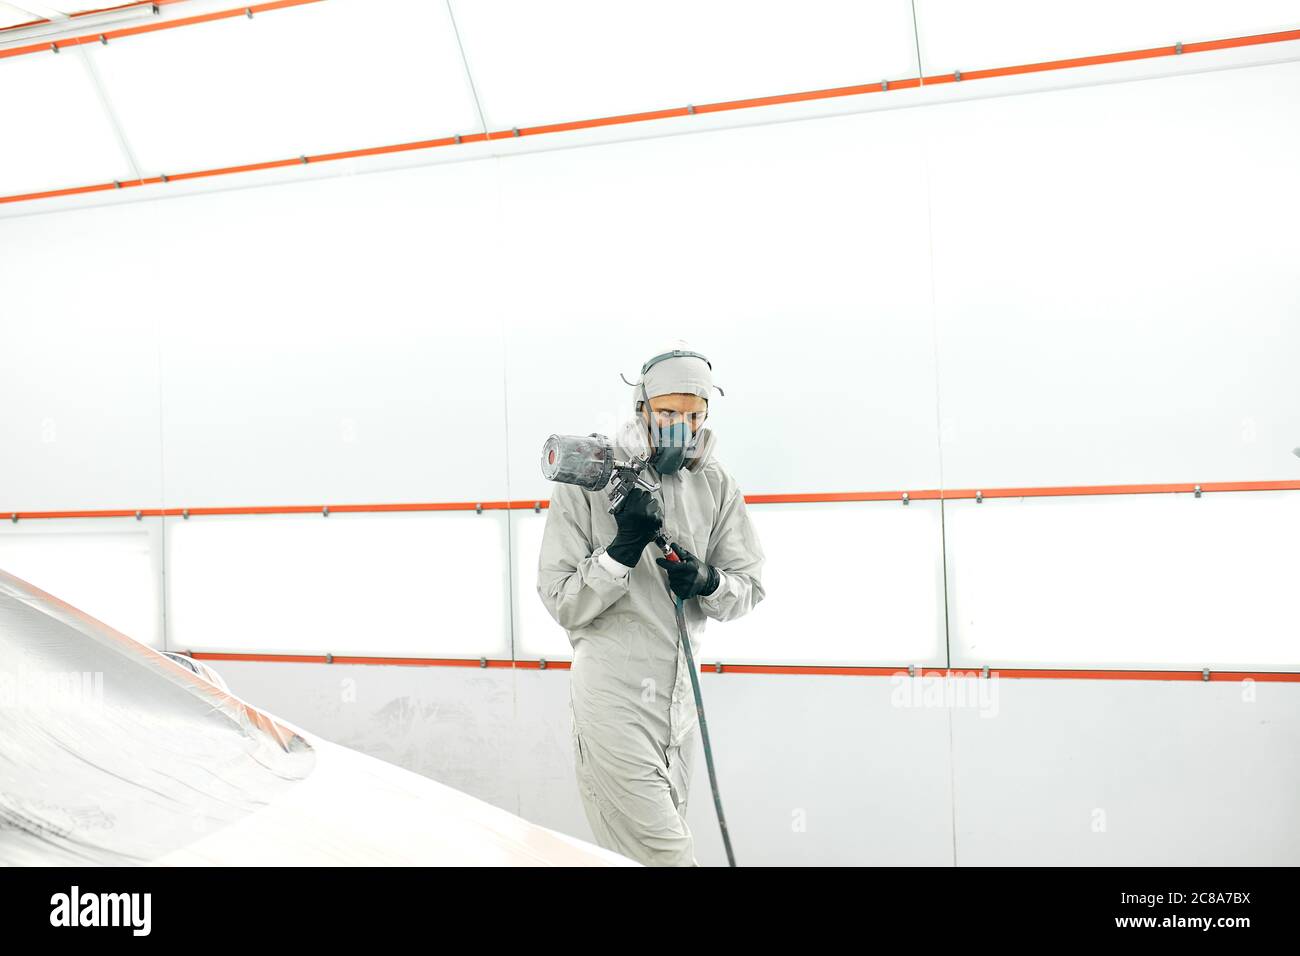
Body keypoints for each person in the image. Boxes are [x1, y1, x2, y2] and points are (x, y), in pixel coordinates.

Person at [536, 343, 766, 866]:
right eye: (666, 414)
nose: (679, 428)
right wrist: (619, 553)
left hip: (680, 704)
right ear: (641, 408)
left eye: (693, 416)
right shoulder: (590, 481)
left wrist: (708, 582)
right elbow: (561, 601)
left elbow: (748, 585)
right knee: (668, 854)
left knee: (649, 853)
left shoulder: (716, 484)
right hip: (614, 696)